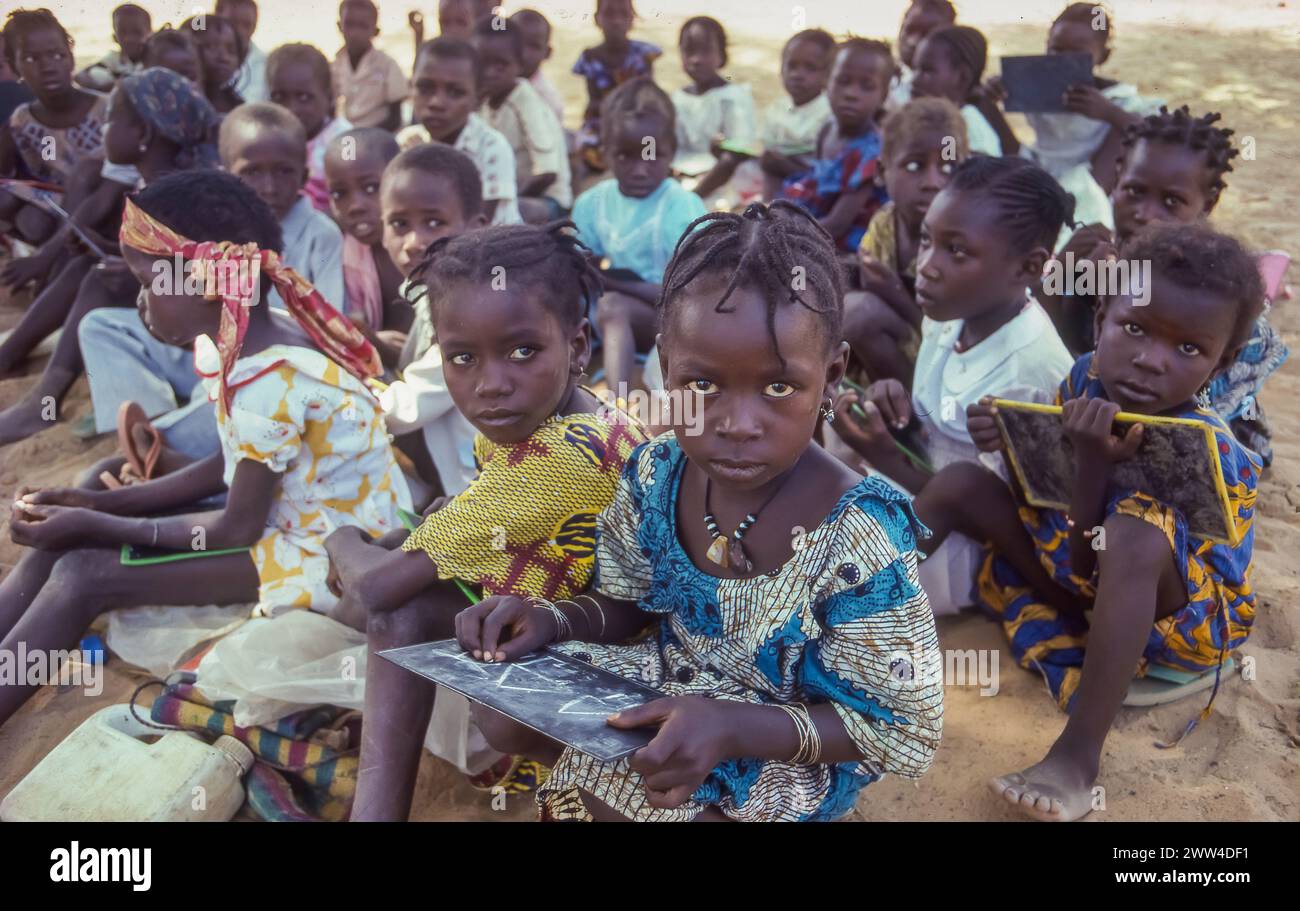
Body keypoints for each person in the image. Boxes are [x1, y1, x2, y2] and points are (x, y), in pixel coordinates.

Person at [456, 201, 943, 822]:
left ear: (832, 375)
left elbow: (901, 727)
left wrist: (733, 727)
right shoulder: (658, 473)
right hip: (674, 681)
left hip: (789, 737)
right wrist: (550, 619)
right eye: (702, 385)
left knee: (641, 798)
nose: (738, 425)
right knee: (502, 703)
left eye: (778, 388)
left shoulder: (858, 536)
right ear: (664, 367)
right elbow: (628, 602)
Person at [1, 169, 408, 730]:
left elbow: (235, 528)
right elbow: (228, 464)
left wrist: (93, 525)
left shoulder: (269, 380)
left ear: (206, 281)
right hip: (284, 523)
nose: (141, 300)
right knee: (96, 485)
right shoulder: (248, 337)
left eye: (149, 282)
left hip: (325, 556)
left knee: (84, 573)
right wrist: (88, 506)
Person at [917, 223, 1264, 821]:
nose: (1150, 360)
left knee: (1135, 528)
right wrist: (1004, 437)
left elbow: (1093, 556)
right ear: (1102, 312)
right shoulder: (1084, 379)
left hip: (1176, 625)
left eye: (1187, 349)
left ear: (1220, 362)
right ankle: (829, 621)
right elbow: (1047, 491)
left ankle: (1076, 760)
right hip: (1080, 574)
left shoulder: (1212, 453)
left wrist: (1093, 468)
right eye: (1134, 328)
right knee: (960, 485)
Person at [322, 222, 651, 820]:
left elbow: (373, 586)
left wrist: (342, 539)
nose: (491, 385)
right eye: (462, 358)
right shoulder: (543, 420)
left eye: (522, 351)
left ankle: (611, 785)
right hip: (557, 615)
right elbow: (485, 525)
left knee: (408, 615)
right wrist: (413, 540)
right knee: (408, 599)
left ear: (578, 347)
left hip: (622, 651)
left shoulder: (562, 456)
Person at [831, 156, 1076, 617]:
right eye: (927, 240)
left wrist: (884, 455)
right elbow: (932, 428)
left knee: (824, 524)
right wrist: (899, 411)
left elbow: (984, 510)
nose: (927, 266)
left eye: (957, 251)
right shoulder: (949, 317)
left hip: (963, 553)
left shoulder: (1031, 371)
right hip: (916, 494)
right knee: (820, 411)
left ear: (1028, 268)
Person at [75, 102, 344, 461]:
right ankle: (153, 418)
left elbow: (324, 320)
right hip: (200, 348)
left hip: (260, 361)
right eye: (253, 173)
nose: (269, 185)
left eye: (283, 171)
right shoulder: (215, 225)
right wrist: (170, 301)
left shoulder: (320, 233)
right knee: (99, 326)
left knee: (223, 410)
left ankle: (159, 444)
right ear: (227, 173)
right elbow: (182, 291)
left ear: (305, 173)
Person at [0, 67, 221, 446]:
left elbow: (206, 276)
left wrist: (140, 273)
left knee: (101, 279)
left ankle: (43, 400)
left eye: (109, 121)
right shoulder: (154, 183)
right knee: (89, 265)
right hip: (178, 323)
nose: (102, 131)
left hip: (202, 340)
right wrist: (108, 253)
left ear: (143, 134)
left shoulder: (181, 194)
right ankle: (15, 364)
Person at [571, 78, 706, 396]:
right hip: (615, 309)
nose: (639, 170)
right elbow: (578, 263)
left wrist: (610, 281)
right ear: (605, 153)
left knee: (613, 306)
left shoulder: (681, 206)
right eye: (625, 156)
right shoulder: (594, 202)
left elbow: (687, 296)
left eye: (651, 155)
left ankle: (616, 408)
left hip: (673, 319)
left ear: (671, 152)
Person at [972, 3, 1162, 227]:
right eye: (1055, 49)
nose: (1062, 60)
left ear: (1103, 56)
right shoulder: (1034, 84)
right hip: (1039, 167)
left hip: (1092, 179)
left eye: (1077, 53)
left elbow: (1154, 132)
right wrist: (993, 92)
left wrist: (1108, 112)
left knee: (1123, 131)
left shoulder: (1115, 98)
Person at [841, 97, 968, 383]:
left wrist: (895, 293)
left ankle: (910, 422)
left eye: (947, 168)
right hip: (903, 350)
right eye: (914, 166)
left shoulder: (963, 241)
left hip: (949, 369)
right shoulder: (886, 221)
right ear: (881, 172)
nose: (932, 182)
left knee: (861, 313)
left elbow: (956, 341)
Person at [779, 38, 893, 253]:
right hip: (811, 225)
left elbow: (838, 223)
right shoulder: (826, 130)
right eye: (843, 81)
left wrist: (783, 238)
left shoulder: (871, 151)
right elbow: (816, 182)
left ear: (883, 96)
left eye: (866, 86)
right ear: (826, 82)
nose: (851, 94)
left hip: (841, 246)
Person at [396, 38, 520, 225]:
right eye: (425, 88)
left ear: (477, 100)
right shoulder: (407, 141)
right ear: (410, 88)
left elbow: (480, 225)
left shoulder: (492, 147)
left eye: (455, 92)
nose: (436, 102)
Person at [470, 17, 571, 221]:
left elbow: (547, 174)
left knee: (501, 214)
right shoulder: (484, 102)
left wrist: (504, 196)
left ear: (519, 64)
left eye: (501, 65)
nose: (490, 73)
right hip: (505, 193)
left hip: (547, 200)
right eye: (482, 64)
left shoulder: (526, 101)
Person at [670, 17, 757, 201]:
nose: (696, 59)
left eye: (705, 51)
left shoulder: (733, 98)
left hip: (719, 185)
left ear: (722, 55)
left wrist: (694, 196)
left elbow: (734, 157)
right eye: (689, 50)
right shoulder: (678, 99)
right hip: (679, 180)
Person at [571, 0, 660, 172]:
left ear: (632, 19)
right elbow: (594, 100)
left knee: (652, 142)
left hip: (637, 117)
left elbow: (649, 95)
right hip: (601, 120)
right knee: (585, 146)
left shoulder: (644, 54)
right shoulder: (590, 57)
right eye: (609, 14)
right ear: (597, 19)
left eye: (623, 14)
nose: (617, 20)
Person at [267, 43, 353, 212]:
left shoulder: (345, 140)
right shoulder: (270, 138)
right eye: (279, 97)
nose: (291, 109)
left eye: (304, 97)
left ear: (329, 97)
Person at [754, 29, 834, 201]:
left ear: (828, 75)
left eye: (810, 68)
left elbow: (824, 174)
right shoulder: (777, 108)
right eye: (792, 66)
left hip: (812, 188)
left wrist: (783, 164)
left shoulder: (829, 113)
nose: (798, 75)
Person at [910, 25, 1000, 156]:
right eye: (915, 69)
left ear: (963, 77)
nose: (914, 80)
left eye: (927, 70)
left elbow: (951, 172)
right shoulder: (942, 122)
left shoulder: (965, 128)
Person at [332, 0, 406, 131]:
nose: (355, 33)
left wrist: (367, 135)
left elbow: (396, 117)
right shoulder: (334, 66)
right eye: (349, 24)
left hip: (378, 136)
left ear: (375, 31)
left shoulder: (387, 65)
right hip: (345, 135)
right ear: (339, 26)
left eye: (363, 26)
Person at [889, 0, 956, 110]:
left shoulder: (952, 90)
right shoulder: (882, 79)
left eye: (926, 34)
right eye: (909, 30)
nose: (912, 42)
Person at [73, 3, 149, 92]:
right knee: (97, 73)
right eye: (122, 32)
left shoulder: (154, 57)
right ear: (114, 37)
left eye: (137, 32)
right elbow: (81, 75)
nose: (129, 39)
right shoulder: (115, 58)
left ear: (151, 33)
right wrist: (97, 89)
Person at [510, 8, 564, 125]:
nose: (524, 53)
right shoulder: (488, 82)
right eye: (518, 41)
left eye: (534, 46)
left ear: (547, 53)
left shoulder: (548, 99)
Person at [217, 0, 267, 102]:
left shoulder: (266, 66)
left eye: (247, 25)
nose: (239, 31)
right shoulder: (200, 58)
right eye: (232, 23)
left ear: (255, 27)